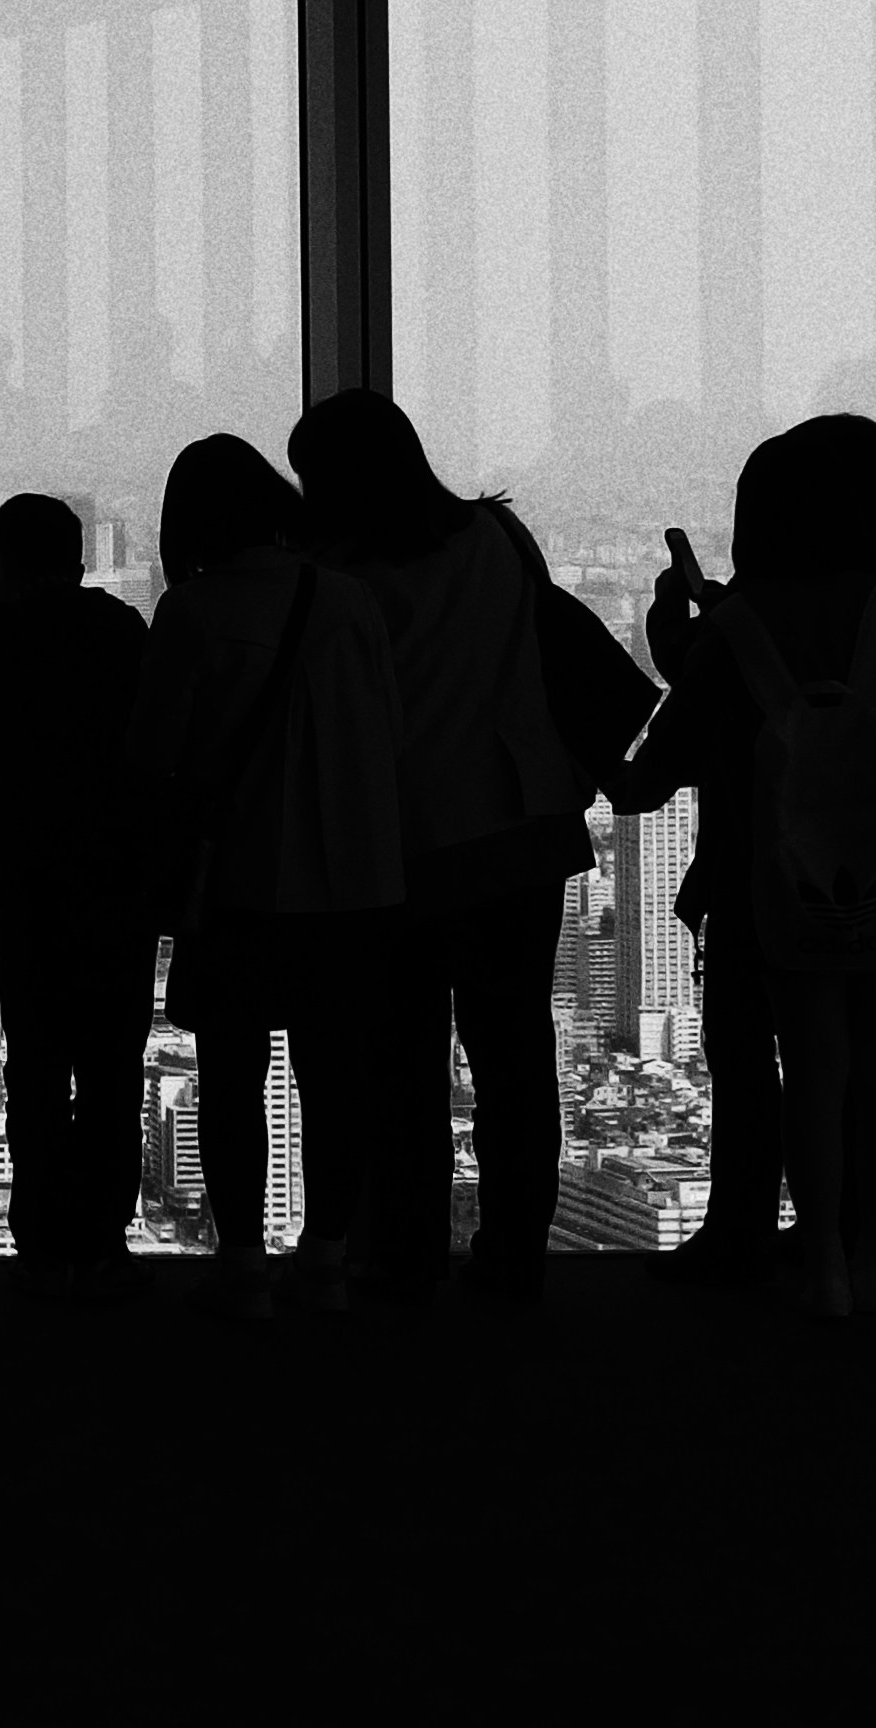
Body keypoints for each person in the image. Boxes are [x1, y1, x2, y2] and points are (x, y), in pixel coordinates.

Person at [634, 416, 876, 1319]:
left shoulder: (739, 626)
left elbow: (657, 767)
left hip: (759, 892)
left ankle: (798, 1253)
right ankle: (874, 1260)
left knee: (781, 1071)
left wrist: (676, 651)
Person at [288, 389, 593, 1302]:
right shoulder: (500, 537)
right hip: (520, 822)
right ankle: (514, 1255)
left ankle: (409, 1254)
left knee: (402, 1063)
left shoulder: (342, 579)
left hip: (406, 842)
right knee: (513, 1057)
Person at [133, 438, 404, 1319]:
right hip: (354, 878)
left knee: (232, 1073)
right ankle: (326, 1253)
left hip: (240, 880)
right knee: (336, 1075)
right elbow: (386, 729)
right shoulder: (349, 600)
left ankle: (242, 1256)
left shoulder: (193, 610)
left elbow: (158, 754)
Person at [0, 492, 151, 1298]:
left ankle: (43, 1239)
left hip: (29, 876)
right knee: (112, 1069)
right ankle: (104, 1236)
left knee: (37, 1066)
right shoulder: (124, 629)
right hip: (119, 878)